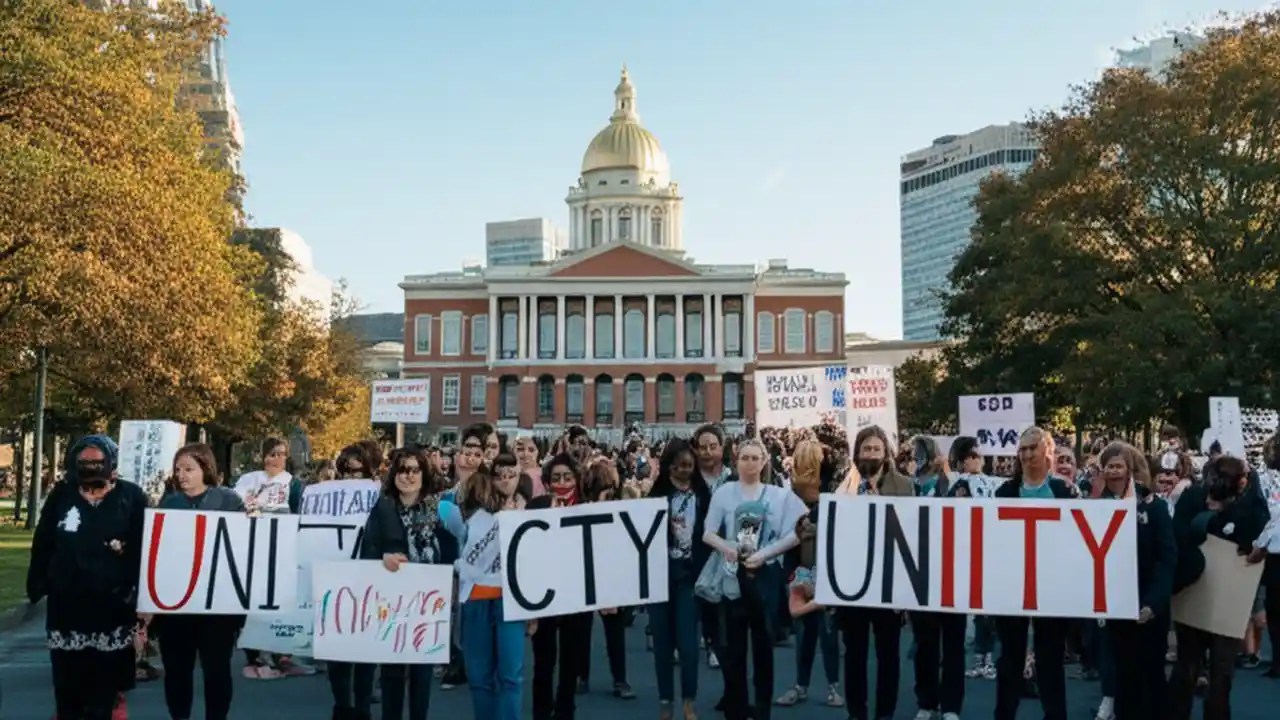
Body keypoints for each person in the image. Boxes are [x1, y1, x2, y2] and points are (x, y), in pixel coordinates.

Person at [27, 435, 147, 720]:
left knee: (105, 689)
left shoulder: (131, 496)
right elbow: (43, 540)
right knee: (68, 687)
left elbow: (144, 546)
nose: (91, 467)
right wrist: (38, 582)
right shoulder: (62, 494)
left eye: (97, 462)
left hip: (114, 603)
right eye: (84, 463)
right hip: (67, 603)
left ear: (110, 463)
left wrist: (141, 597)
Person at [702, 439, 805, 720]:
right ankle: (735, 706)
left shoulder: (778, 496)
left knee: (763, 646)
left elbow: (798, 530)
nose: (749, 462)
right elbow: (708, 532)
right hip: (732, 575)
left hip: (766, 575)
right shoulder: (724, 493)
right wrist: (731, 549)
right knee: (732, 645)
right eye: (744, 457)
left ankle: (762, 709)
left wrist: (766, 554)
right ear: (736, 461)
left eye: (754, 458)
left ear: (764, 462)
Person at [1168, 454, 1270, 719]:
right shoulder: (1251, 506)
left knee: (1188, 665)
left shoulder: (1193, 499)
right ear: (1241, 481)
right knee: (1219, 671)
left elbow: (1177, 534)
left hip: (1195, 591)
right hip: (1227, 595)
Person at [152, 443, 246, 720]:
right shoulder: (169, 503)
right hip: (176, 603)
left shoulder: (229, 501)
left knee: (216, 669)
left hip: (218, 603)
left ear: (205, 469)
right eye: (178, 469)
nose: (182, 475)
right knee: (177, 670)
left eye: (189, 469)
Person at [992, 426, 1079, 720]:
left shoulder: (1064, 493)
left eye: (1033, 448)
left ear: (1048, 451)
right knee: (1010, 659)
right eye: (1023, 449)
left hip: (1052, 588)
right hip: (1013, 586)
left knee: (1051, 660)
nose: (1027, 454)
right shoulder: (1004, 492)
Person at [439, 458, 533, 720]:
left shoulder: (530, 515)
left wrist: (533, 611)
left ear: (518, 477)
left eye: (511, 474)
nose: (505, 479)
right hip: (477, 601)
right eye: (499, 474)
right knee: (480, 678)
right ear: (490, 479)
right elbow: (444, 512)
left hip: (511, 603)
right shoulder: (472, 514)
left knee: (510, 677)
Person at [361, 446, 447, 720]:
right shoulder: (382, 507)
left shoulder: (439, 508)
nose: (408, 476)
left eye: (414, 470)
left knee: (422, 677)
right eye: (402, 470)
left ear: (423, 474)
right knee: (392, 675)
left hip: (428, 602)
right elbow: (367, 548)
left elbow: (454, 549)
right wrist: (382, 558)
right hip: (391, 601)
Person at [835, 425, 914, 720]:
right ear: (857, 453)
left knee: (888, 654)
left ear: (886, 453)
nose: (870, 454)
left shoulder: (904, 485)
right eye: (865, 449)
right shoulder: (843, 484)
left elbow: (911, 532)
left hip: (889, 581)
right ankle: (857, 712)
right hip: (854, 581)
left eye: (876, 449)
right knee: (854, 653)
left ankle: (885, 713)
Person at [1095, 442, 1176, 720]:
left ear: (1132, 469)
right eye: (1108, 465)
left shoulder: (1155, 509)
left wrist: (1153, 603)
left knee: (1152, 678)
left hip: (1148, 610)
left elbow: (1166, 560)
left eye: (1118, 465)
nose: (1113, 471)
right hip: (1115, 609)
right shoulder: (1094, 509)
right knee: (1123, 680)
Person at [646, 439, 711, 720]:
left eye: (689, 465)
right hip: (659, 577)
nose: (685, 471)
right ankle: (664, 701)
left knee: (688, 644)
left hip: (689, 576)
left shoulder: (702, 494)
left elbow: (710, 532)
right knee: (662, 644)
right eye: (679, 466)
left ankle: (688, 700)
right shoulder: (657, 494)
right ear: (668, 466)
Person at [528, 454, 593, 720]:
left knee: (571, 660)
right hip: (544, 594)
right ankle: (541, 712)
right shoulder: (535, 508)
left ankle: (566, 711)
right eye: (556, 478)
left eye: (567, 477)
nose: (562, 482)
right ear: (546, 482)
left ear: (577, 480)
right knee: (544, 660)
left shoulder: (589, 509)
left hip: (578, 593)